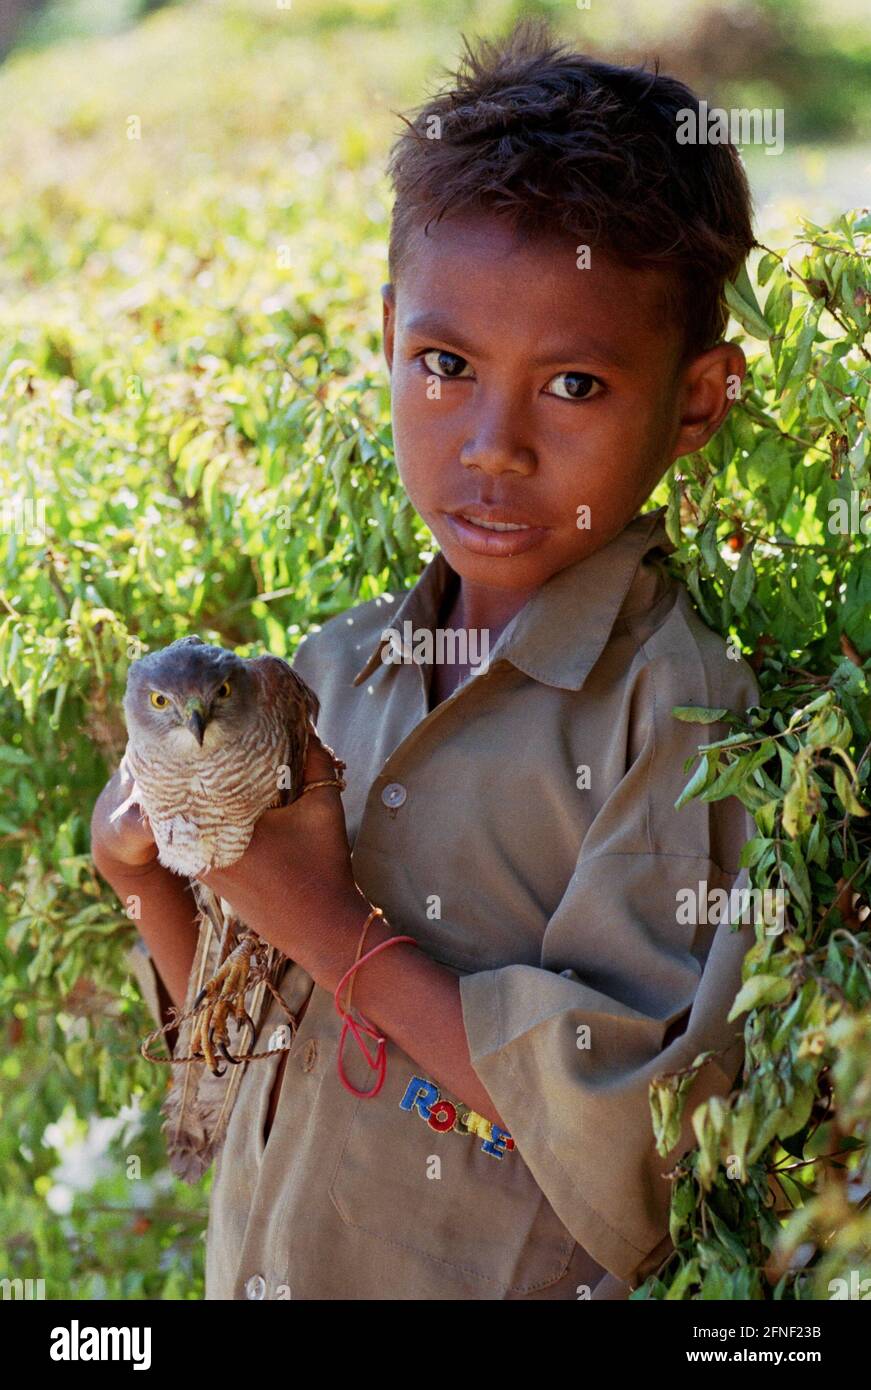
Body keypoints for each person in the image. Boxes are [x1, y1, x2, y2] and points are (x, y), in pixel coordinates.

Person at [92, 19, 762, 1300]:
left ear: (694, 401)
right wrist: (144, 878)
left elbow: (640, 1147)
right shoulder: (325, 672)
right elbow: (246, 1044)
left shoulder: (674, 720)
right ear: (389, 333)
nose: (493, 445)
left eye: (573, 385)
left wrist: (325, 919)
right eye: (446, 365)